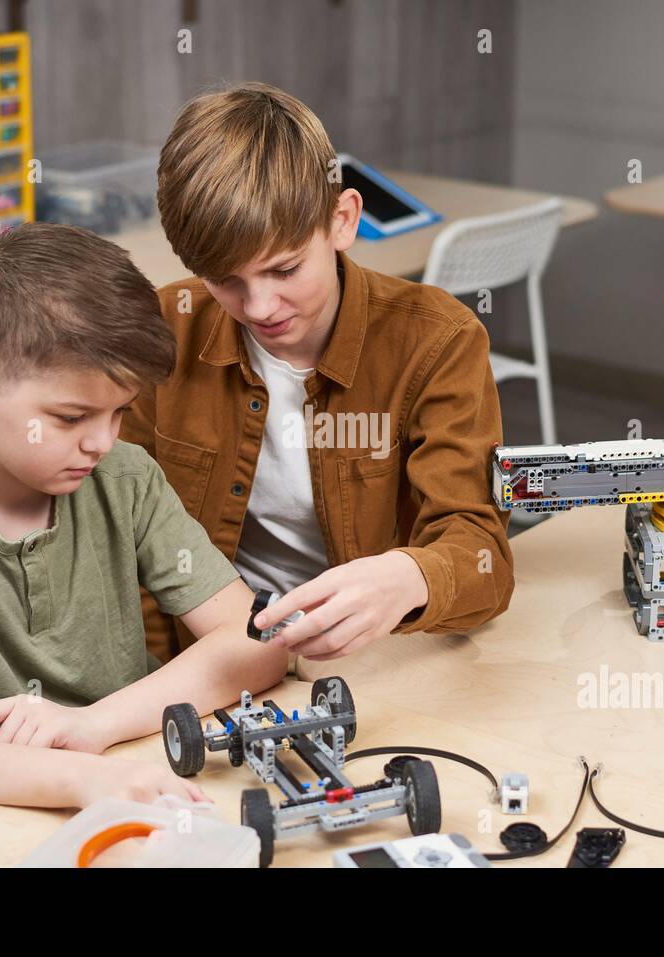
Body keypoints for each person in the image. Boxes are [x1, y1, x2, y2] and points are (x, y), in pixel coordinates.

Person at [0, 222, 287, 849]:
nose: (102, 441)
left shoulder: (123, 477)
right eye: (72, 417)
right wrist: (81, 777)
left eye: (118, 411)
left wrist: (91, 728)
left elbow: (259, 643)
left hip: (125, 765)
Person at [121, 82, 514, 664]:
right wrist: (158, 689)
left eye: (284, 269)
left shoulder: (438, 340)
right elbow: (129, 545)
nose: (258, 308)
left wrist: (408, 578)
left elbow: (481, 556)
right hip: (214, 665)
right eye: (224, 280)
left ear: (342, 220)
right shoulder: (166, 327)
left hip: (378, 660)